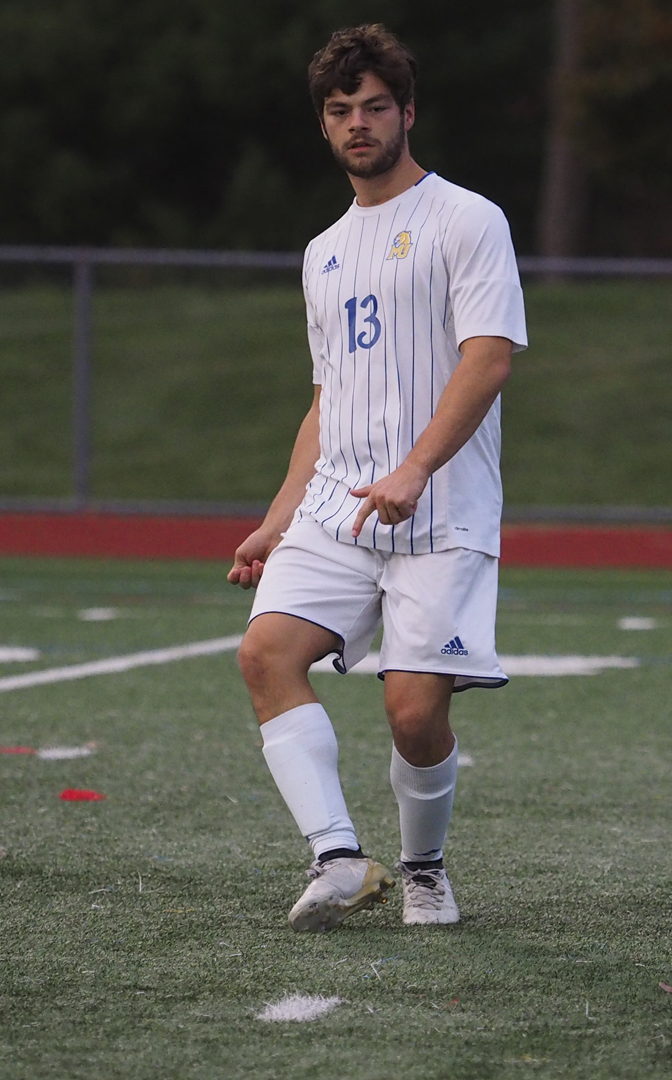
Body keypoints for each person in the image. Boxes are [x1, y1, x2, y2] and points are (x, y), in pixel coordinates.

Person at [227, 24, 526, 932]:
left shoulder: (468, 219)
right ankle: (338, 858)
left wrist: (416, 467)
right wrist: (280, 515)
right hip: (336, 508)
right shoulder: (321, 252)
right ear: (323, 126)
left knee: (411, 716)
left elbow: (488, 358)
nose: (358, 124)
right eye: (339, 110)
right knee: (264, 656)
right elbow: (328, 398)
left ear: (407, 113)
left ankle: (425, 868)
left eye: (373, 107)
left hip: (441, 511)